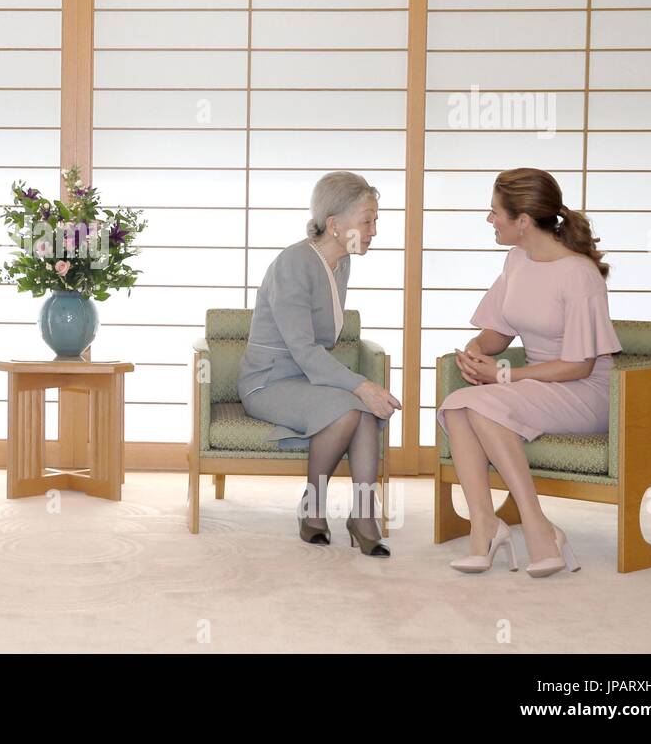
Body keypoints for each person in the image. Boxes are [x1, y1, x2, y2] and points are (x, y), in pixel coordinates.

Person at [437, 168, 620, 578]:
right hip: (537, 385)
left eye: (495, 212)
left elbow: (580, 364)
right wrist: (476, 350)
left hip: (585, 393)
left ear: (522, 221)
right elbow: (499, 330)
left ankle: (538, 528)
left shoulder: (579, 274)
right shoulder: (516, 259)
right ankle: (485, 525)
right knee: (456, 406)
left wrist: (503, 377)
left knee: (480, 406)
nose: (489, 220)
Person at [236, 171, 401, 556]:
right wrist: (360, 384)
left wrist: (359, 389)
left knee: (360, 411)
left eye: (375, 220)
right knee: (348, 408)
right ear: (334, 224)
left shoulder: (341, 264)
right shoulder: (293, 264)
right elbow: (304, 350)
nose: (374, 229)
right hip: (269, 381)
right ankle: (312, 508)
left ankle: (363, 515)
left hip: (307, 380)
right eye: (367, 220)